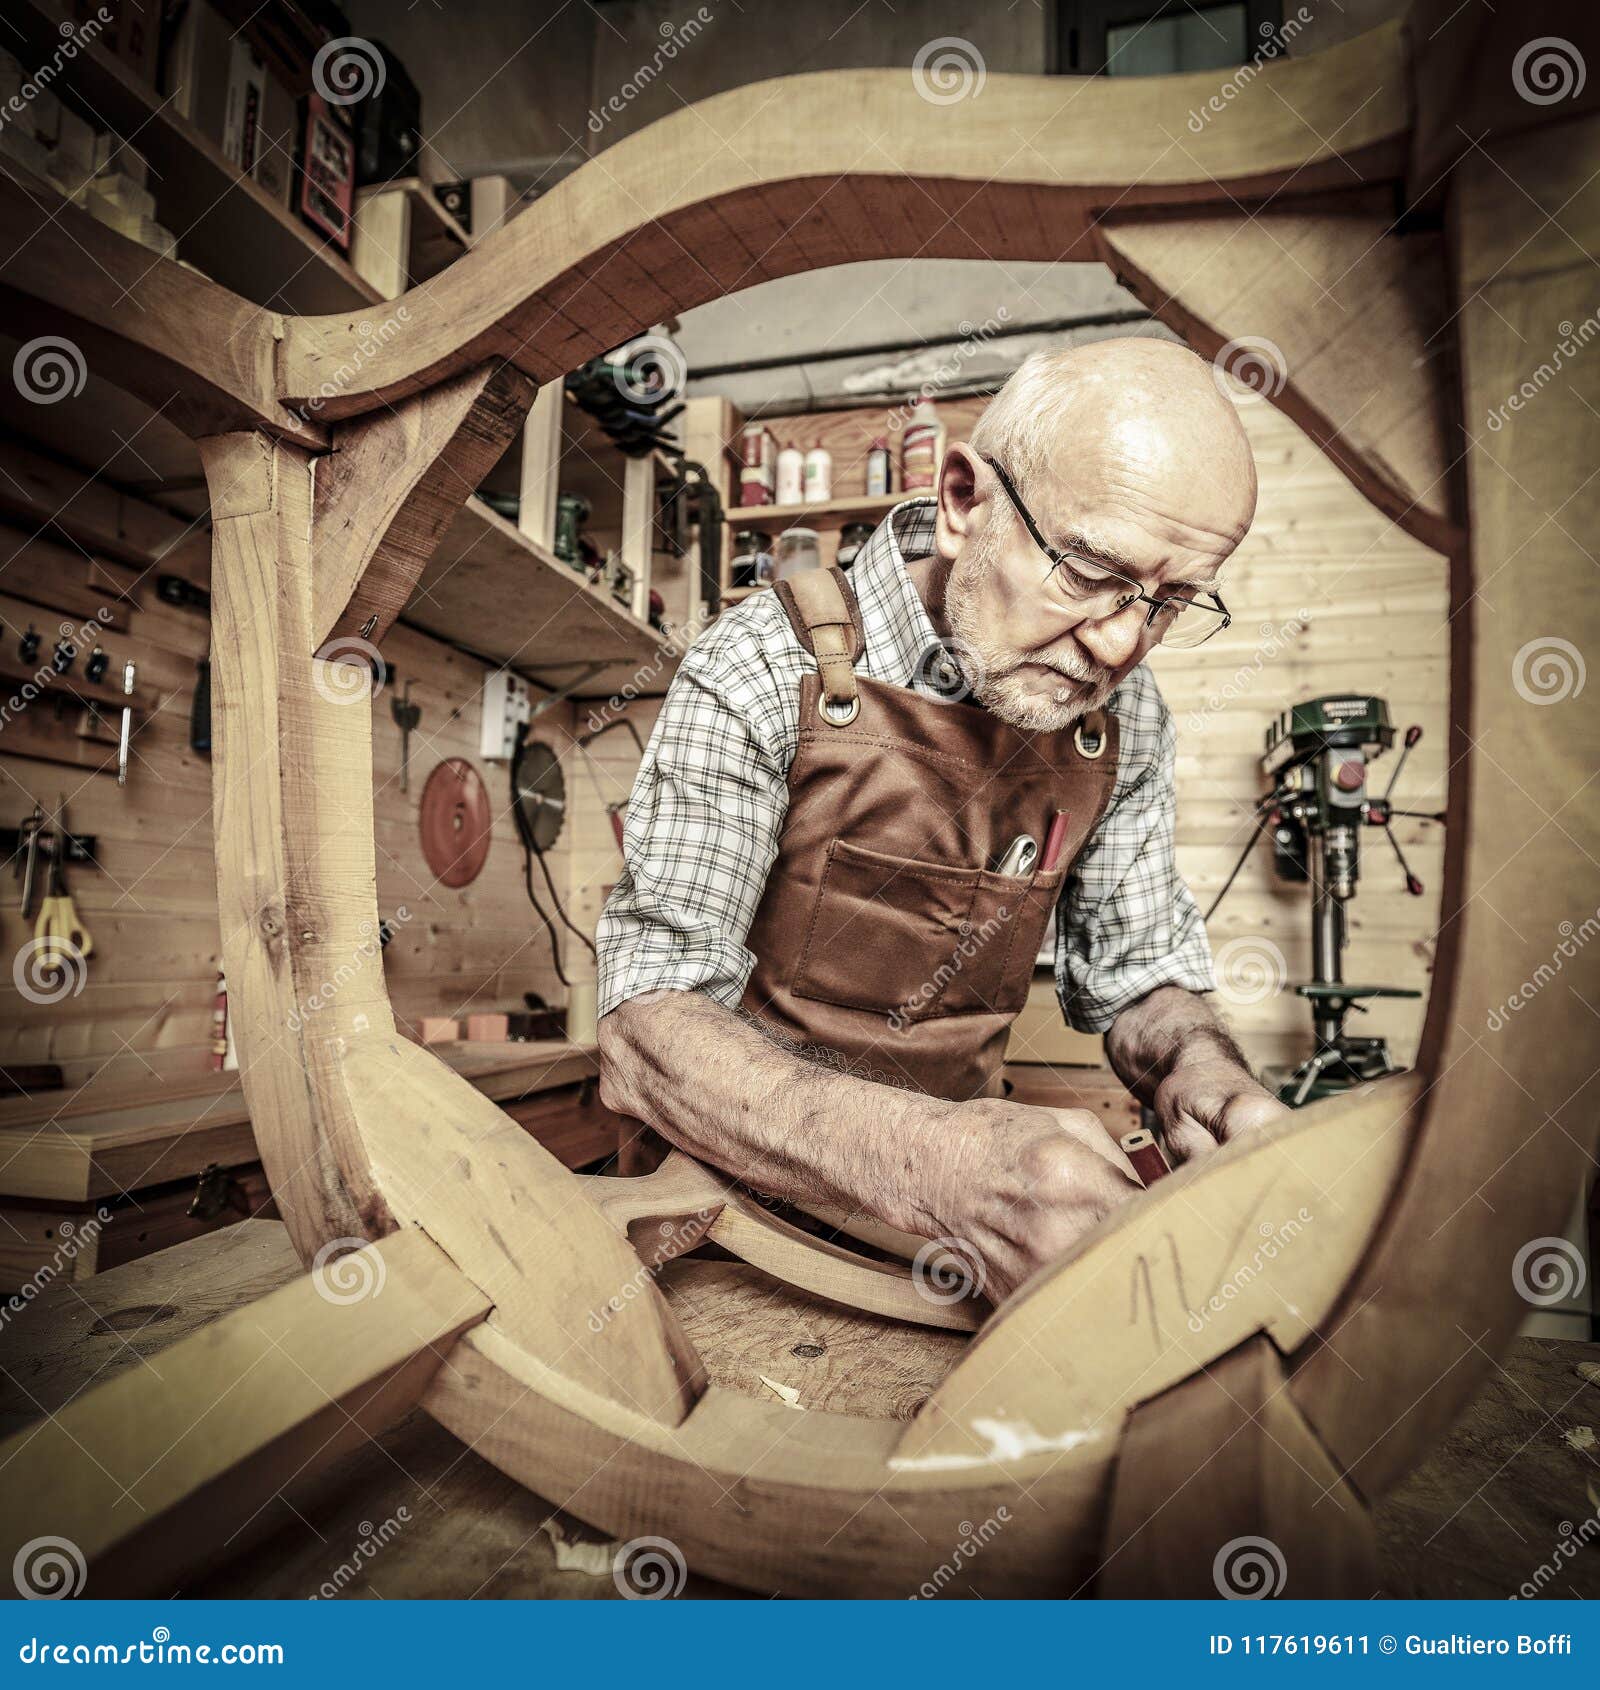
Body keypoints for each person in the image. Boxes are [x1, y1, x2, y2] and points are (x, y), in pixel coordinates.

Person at [596, 338, 1286, 1302]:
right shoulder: (761, 662)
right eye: (1088, 572)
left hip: (969, 1232)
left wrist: (1205, 1074)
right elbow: (647, 1032)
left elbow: (1138, 975)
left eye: (1167, 603)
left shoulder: (1123, 716)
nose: (1121, 644)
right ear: (964, 500)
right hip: (723, 1226)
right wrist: (943, 1165)